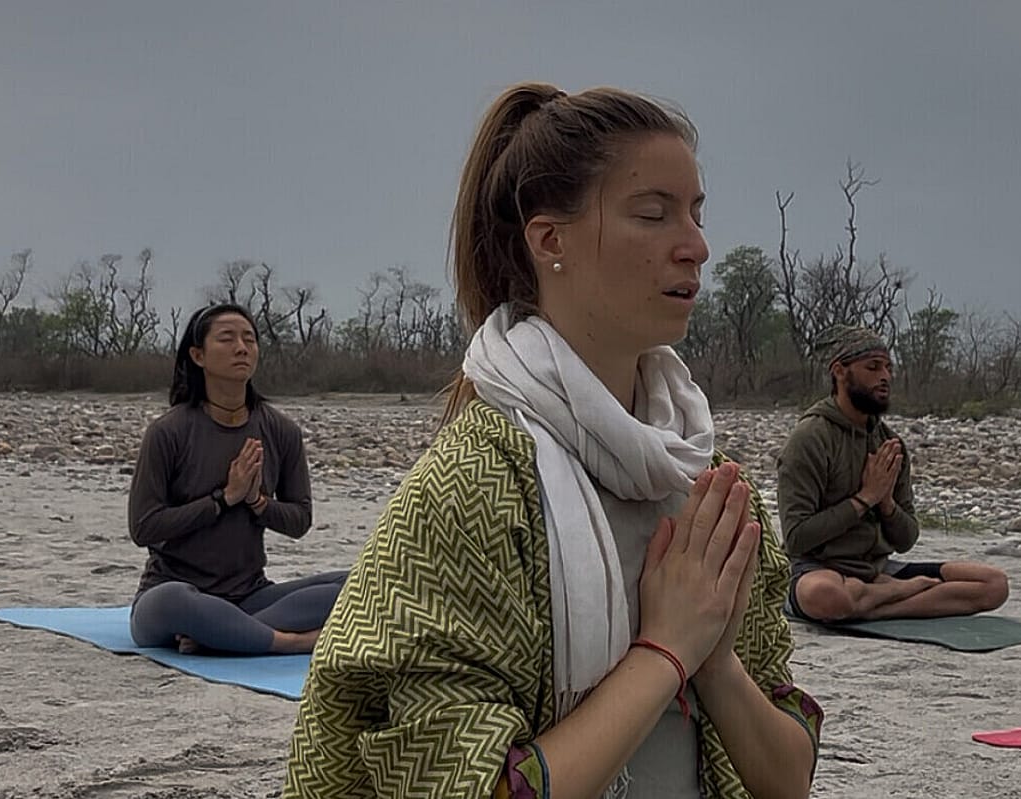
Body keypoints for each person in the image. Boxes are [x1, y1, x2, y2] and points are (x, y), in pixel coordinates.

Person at [284, 83, 822, 799]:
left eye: (696, 214)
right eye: (652, 214)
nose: (695, 246)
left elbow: (787, 781)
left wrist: (717, 661)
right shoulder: (472, 485)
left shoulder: (709, 488)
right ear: (550, 240)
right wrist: (666, 650)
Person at [127, 303, 347, 655]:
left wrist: (257, 502)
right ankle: (293, 642)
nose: (242, 348)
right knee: (177, 601)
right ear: (198, 355)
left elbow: (300, 521)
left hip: (251, 598)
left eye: (249, 339)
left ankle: (225, 634)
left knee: (357, 582)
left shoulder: (281, 431)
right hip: (174, 594)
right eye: (227, 339)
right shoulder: (169, 432)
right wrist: (223, 499)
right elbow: (143, 527)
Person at [777, 324, 1010, 623]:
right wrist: (864, 499)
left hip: (876, 571)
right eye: (873, 368)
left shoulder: (890, 443)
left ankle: (881, 602)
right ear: (839, 371)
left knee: (993, 585)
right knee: (825, 596)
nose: (884, 376)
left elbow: (906, 539)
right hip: (819, 570)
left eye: (888, 368)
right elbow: (796, 539)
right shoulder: (810, 437)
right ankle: (903, 594)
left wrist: (886, 504)